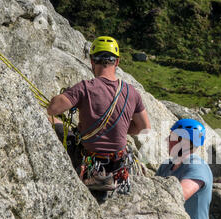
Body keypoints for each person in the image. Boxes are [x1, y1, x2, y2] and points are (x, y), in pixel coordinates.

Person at [47, 36, 150, 193]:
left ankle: (91, 174)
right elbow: (144, 128)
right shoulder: (132, 92)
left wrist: (69, 93)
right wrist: (119, 126)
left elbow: (52, 109)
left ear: (92, 62)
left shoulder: (85, 88)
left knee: (50, 120)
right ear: (117, 62)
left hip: (88, 159)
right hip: (118, 165)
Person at [155, 119, 213, 219]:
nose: (167, 140)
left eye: (172, 137)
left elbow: (177, 196)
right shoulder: (166, 166)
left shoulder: (196, 167)